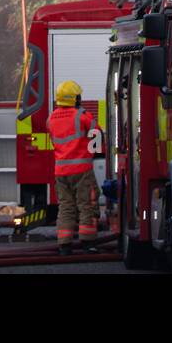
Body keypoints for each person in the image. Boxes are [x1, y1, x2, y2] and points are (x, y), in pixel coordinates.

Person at [46, 79, 102, 253]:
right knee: (87, 205)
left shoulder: (51, 119)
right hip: (82, 171)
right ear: (75, 98)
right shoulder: (82, 116)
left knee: (66, 207)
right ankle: (88, 242)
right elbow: (97, 139)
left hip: (60, 172)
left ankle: (64, 244)